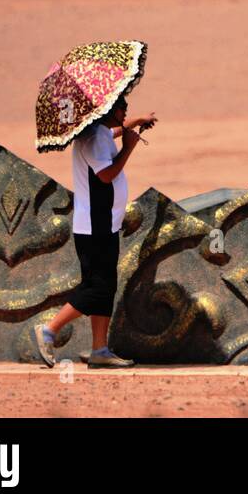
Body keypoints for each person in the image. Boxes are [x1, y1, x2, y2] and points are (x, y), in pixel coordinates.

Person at [33, 94, 156, 369]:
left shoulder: (96, 132)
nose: (126, 112)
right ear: (110, 109)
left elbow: (109, 133)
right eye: (123, 108)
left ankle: (99, 349)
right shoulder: (92, 139)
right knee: (96, 288)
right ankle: (49, 330)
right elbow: (106, 175)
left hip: (103, 224)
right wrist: (129, 148)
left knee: (105, 286)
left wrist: (135, 123)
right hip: (95, 227)